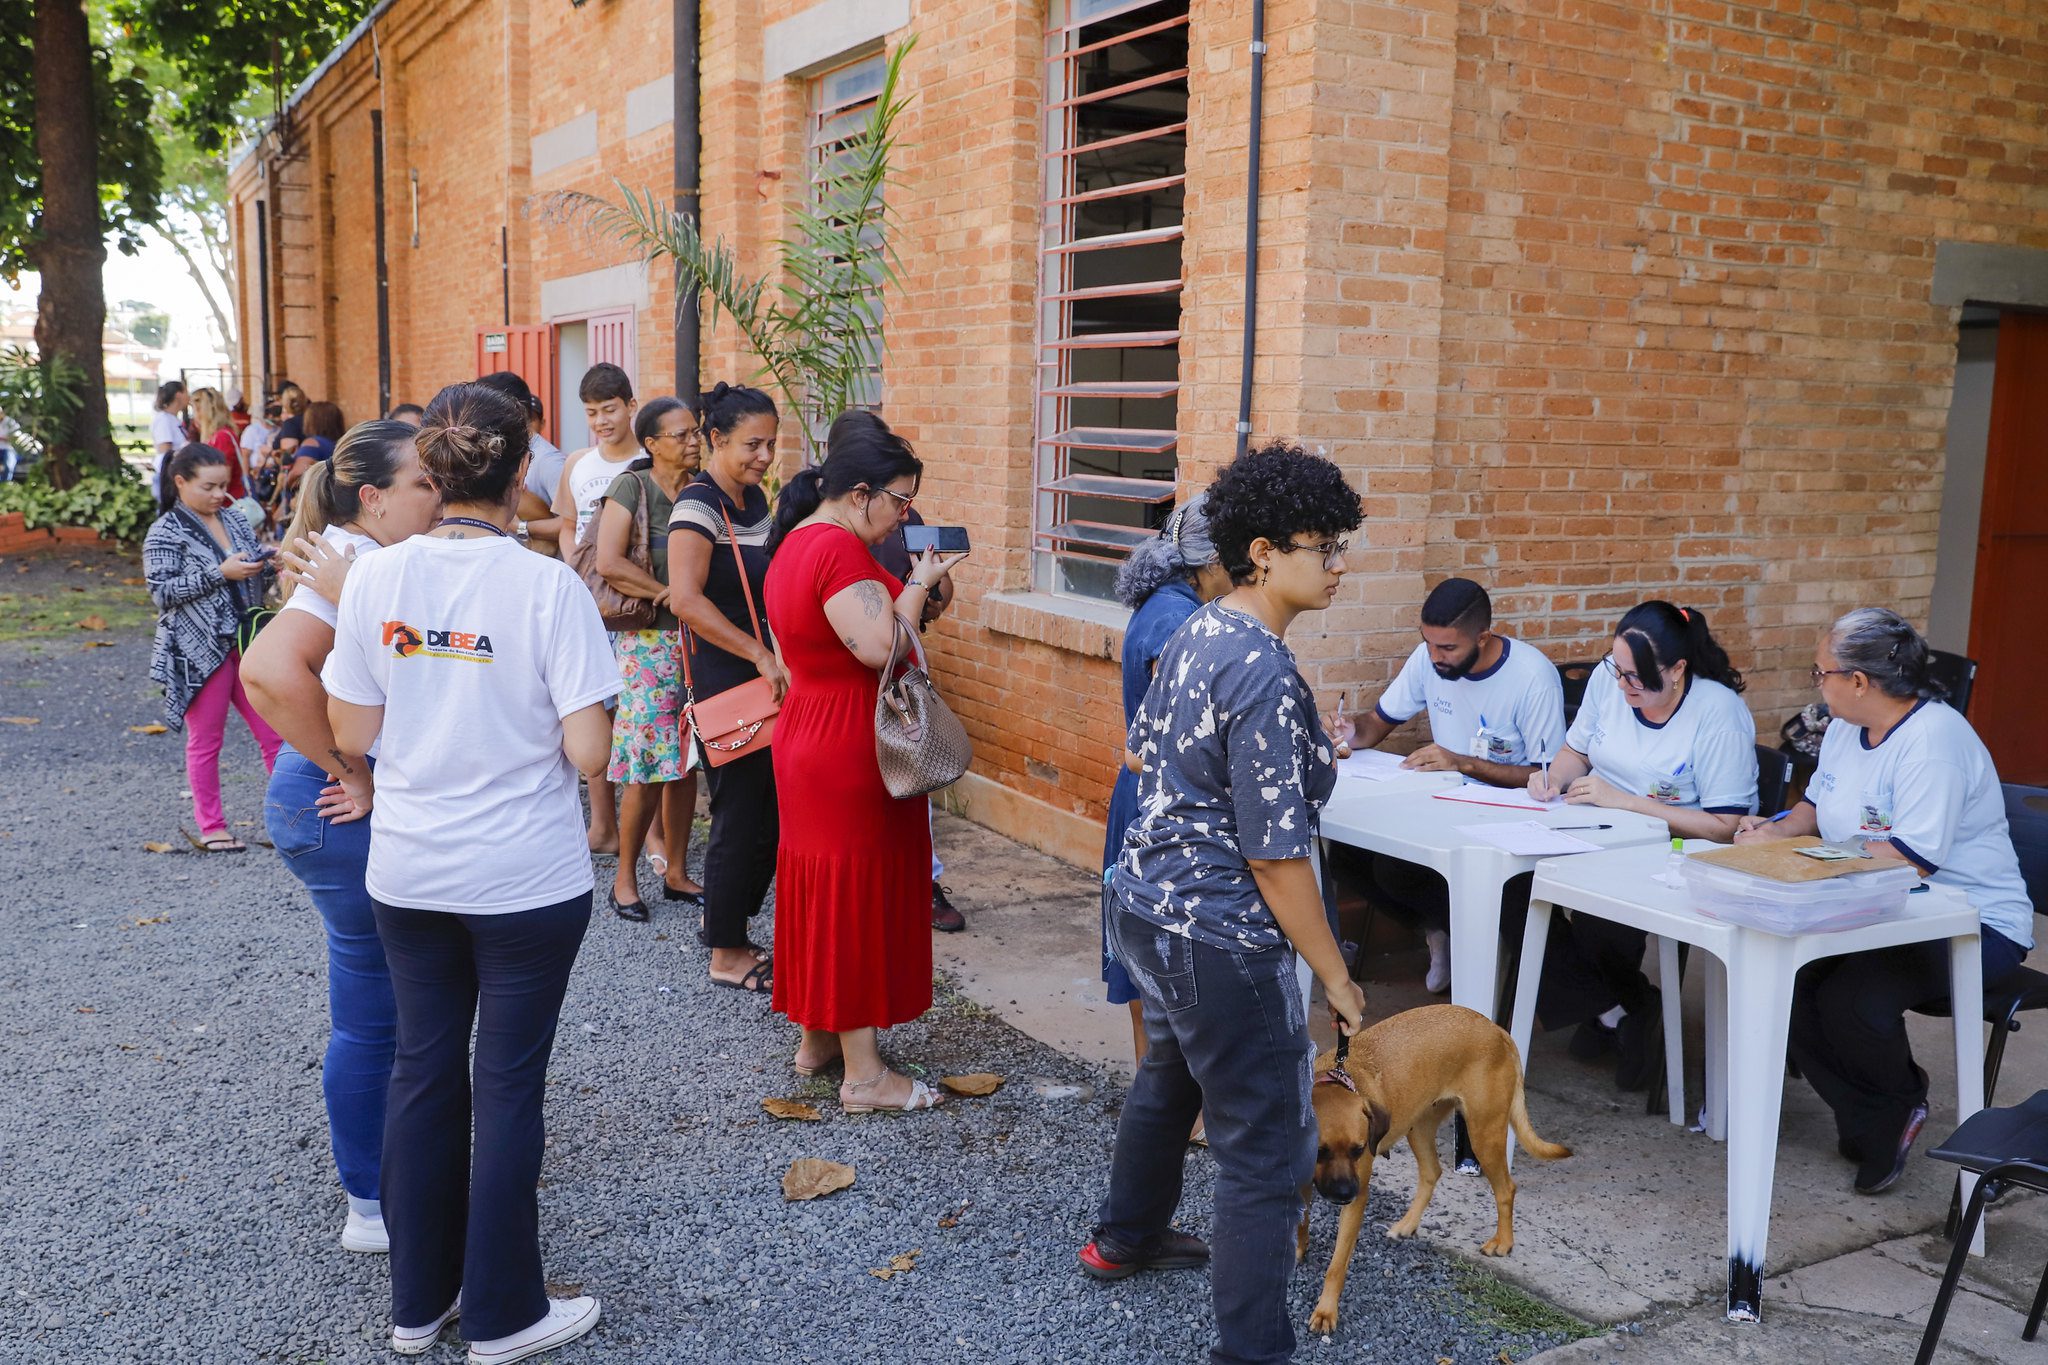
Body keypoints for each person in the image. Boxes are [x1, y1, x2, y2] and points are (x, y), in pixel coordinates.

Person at [322, 382, 615, 1363]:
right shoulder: (546, 586)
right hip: (524, 878)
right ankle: (502, 1315)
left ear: (433, 468)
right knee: (508, 1086)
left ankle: (417, 1307)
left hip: (409, 870)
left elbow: (353, 730)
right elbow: (587, 756)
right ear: (522, 467)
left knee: (420, 1073)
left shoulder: (372, 579)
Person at [1084, 441, 1368, 1365]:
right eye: (1320, 545)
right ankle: (1252, 1352)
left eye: (1338, 544)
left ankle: (1123, 1236)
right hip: (1215, 935)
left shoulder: (1200, 629)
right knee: (1265, 1151)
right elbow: (1277, 856)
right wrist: (1337, 976)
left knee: (1169, 1075)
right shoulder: (1261, 666)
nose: (1337, 563)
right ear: (1259, 551)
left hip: (1146, 908)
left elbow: (1147, 758)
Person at [1736, 608, 2034, 1194]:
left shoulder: (1934, 742)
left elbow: (1912, 857)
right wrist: (1773, 833)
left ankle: (1896, 1103)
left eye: (1821, 672)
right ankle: (1875, 1111)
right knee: (1790, 983)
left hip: (1969, 921)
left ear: (1859, 681)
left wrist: (1808, 861)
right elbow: (1815, 807)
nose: (1815, 683)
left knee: (1853, 998)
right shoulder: (1847, 727)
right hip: (1878, 910)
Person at [242, 419, 442, 1256]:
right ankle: (370, 1201)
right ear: (374, 497)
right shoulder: (343, 565)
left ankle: (392, 1175)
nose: (439, 497)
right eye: (425, 485)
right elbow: (267, 671)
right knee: (374, 1015)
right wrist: (346, 764)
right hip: (330, 802)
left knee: (385, 1007)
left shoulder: (357, 559)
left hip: (328, 800)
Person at [764, 415, 967, 1108]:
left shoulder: (796, 540)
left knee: (824, 887)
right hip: (849, 741)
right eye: (898, 502)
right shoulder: (839, 551)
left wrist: (918, 583)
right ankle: (866, 1075)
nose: (903, 516)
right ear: (859, 494)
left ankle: (819, 1040)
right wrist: (919, 583)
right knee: (851, 891)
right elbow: (880, 646)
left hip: (811, 732)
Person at [1520, 601, 1759, 1089]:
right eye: (1618, 670)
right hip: (1594, 833)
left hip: (1670, 853)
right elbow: (1575, 752)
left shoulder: (1717, 713)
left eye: (1637, 678)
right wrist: (1551, 779)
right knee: (1513, 894)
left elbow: (1723, 825)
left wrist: (1626, 802)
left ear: (1677, 670)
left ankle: (1618, 1010)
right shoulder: (1611, 685)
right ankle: (1620, 1009)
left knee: (1598, 917)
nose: (1624, 685)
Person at [1344, 578, 1568, 993]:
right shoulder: (1428, 659)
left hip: (1508, 817)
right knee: (1345, 852)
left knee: (1395, 868)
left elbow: (1550, 777)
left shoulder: (1531, 676)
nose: (1435, 657)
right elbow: (1375, 726)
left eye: (1447, 648)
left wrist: (1463, 761)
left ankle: (1471, 939)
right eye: (1428, 643)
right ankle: (1442, 929)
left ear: (1483, 637)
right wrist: (1347, 731)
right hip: (1441, 807)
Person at [1101, 499, 1230, 1066]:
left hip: (1146, 798)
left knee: (1148, 963)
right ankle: (1169, 1104)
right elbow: (1162, 741)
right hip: (1160, 802)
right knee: (1163, 963)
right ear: (1213, 561)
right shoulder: (1180, 621)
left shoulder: (1166, 606)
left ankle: (1156, 1100)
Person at [668, 382, 783, 992]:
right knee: (740, 816)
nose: (764, 455)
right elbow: (685, 600)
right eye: (752, 444)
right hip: (730, 683)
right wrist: (758, 653)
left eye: (770, 443)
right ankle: (726, 953)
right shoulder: (699, 504)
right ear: (716, 439)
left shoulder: (751, 497)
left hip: (761, 674)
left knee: (765, 814)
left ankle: (732, 928)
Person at [847, 411, 964, 932]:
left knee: (914, 777)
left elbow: (934, 601)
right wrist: (912, 595)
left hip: (899, 677)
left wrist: (931, 586)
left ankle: (922, 879)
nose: (900, 511)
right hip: (859, 674)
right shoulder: (831, 534)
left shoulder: (905, 518)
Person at [142, 443, 283, 852]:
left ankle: (289, 821)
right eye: (209, 486)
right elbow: (162, 593)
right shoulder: (164, 531)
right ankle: (212, 827)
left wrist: (267, 561)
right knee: (206, 741)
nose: (220, 494)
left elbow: (247, 562)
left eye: (224, 486)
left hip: (246, 640)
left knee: (276, 734)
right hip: (198, 649)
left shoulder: (233, 519)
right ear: (180, 481)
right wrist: (219, 574)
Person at [594, 395, 703, 919]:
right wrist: (667, 595)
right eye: (680, 434)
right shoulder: (632, 488)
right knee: (645, 766)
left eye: (694, 432)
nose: (693, 440)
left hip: (700, 644)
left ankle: (677, 872)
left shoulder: (703, 494)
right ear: (652, 444)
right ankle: (625, 880)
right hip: (648, 643)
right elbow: (610, 561)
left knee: (685, 764)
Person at [553, 363, 642, 853]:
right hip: (590, 605)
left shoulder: (651, 459)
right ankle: (603, 826)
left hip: (638, 607)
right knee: (596, 713)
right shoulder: (579, 464)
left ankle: (649, 830)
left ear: (631, 405)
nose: (602, 421)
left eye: (609, 410)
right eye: (592, 413)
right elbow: (567, 522)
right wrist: (574, 565)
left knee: (638, 712)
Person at [474, 371, 564, 557]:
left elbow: (571, 525)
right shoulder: (496, 454)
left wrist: (519, 526)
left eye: (487, 410)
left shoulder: (549, 461)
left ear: (517, 410)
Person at [190, 387, 247, 500]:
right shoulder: (218, 435)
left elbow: (224, 478)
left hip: (226, 504)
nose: (194, 417)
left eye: (195, 410)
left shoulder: (221, 437)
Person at [148, 380, 189, 500]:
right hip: (167, 477)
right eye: (186, 392)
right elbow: (165, 451)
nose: (189, 396)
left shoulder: (172, 419)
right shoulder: (164, 420)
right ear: (178, 395)